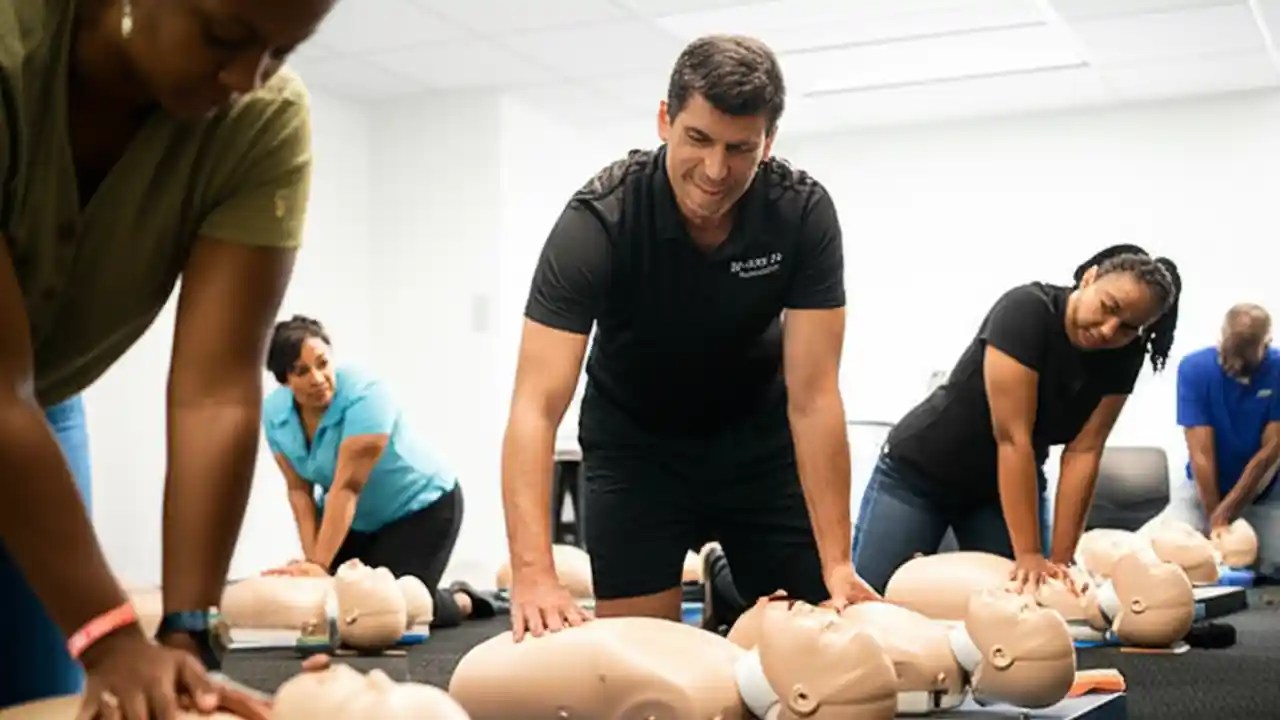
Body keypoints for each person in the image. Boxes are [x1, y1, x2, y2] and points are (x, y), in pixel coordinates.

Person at [0, 0, 339, 714]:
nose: (247, 77)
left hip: (40, 402)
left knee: (50, 695)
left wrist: (187, 632)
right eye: (224, 35)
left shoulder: (260, 120)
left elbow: (214, 393)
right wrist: (110, 635)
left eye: (282, 51)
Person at [499, 33, 872, 643]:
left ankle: (725, 580)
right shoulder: (600, 220)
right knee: (649, 666)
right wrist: (534, 572)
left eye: (740, 148)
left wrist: (837, 562)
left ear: (768, 143)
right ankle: (717, 581)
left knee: (816, 645)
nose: (716, 170)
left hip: (758, 445)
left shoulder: (801, 215)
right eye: (698, 139)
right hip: (636, 449)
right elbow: (535, 407)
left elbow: (814, 398)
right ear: (665, 120)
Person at [848, 244, 1181, 594]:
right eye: (1107, 308)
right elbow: (1012, 438)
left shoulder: (1124, 355)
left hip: (997, 493)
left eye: (1129, 327)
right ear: (1089, 278)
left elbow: (1084, 453)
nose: (1108, 331)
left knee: (1026, 599)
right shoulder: (1026, 311)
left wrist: (1061, 561)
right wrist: (1030, 553)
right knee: (870, 598)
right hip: (920, 476)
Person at [259, 316, 497, 627]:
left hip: (420, 508)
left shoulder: (367, 396)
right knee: (345, 607)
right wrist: (313, 566)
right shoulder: (275, 413)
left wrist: (319, 564)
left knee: (398, 609)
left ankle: (465, 599)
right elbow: (299, 491)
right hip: (354, 520)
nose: (317, 378)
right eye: (301, 372)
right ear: (284, 380)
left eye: (322, 363)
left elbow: (346, 487)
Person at [1168, 303, 1280, 575]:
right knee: (1168, 556)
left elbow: (1270, 451)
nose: (1237, 365)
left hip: (1264, 491)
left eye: (1245, 357)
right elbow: (1201, 454)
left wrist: (1225, 514)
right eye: (1231, 355)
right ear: (1220, 338)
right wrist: (1214, 519)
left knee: (1269, 564)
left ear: (1267, 342)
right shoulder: (1195, 369)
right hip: (1202, 488)